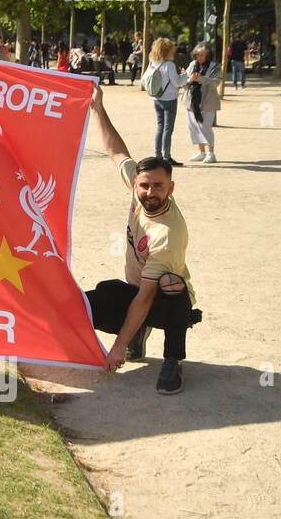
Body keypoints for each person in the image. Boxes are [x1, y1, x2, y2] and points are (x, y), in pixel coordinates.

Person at [85, 86, 201, 394]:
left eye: (158, 186)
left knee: (171, 286)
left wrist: (117, 347)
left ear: (171, 188)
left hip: (163, 301)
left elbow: (146, 298)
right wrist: (97, 107)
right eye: (145, 186)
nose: (150, 192)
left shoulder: (167, 234)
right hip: (137, 290)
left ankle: (173, 360)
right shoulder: (137, 186)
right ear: (136, 183)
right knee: (88, 301)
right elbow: (115, 151)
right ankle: (137, 333)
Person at [143, 37, 182, 167]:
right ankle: (166, 157)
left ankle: (158, 155)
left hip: (156, 97)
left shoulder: (152, 61)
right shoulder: (169, 65)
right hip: (169, 98)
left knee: (160, 127)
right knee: (168, 129)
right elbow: (177, 82)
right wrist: (187, 76)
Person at [181, 43, 220, 163]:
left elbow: (215, 83)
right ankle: (201, 152)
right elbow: (184, 81)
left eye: (202, 54)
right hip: (191, 101)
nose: (199, 57)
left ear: (208, 55)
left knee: (205, 127)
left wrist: (200, 78)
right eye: (197, 54)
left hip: (207, 101)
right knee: (193, 127)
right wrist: (186, 78)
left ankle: (211, 153)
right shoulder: (192, 64)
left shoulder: (215, 66)